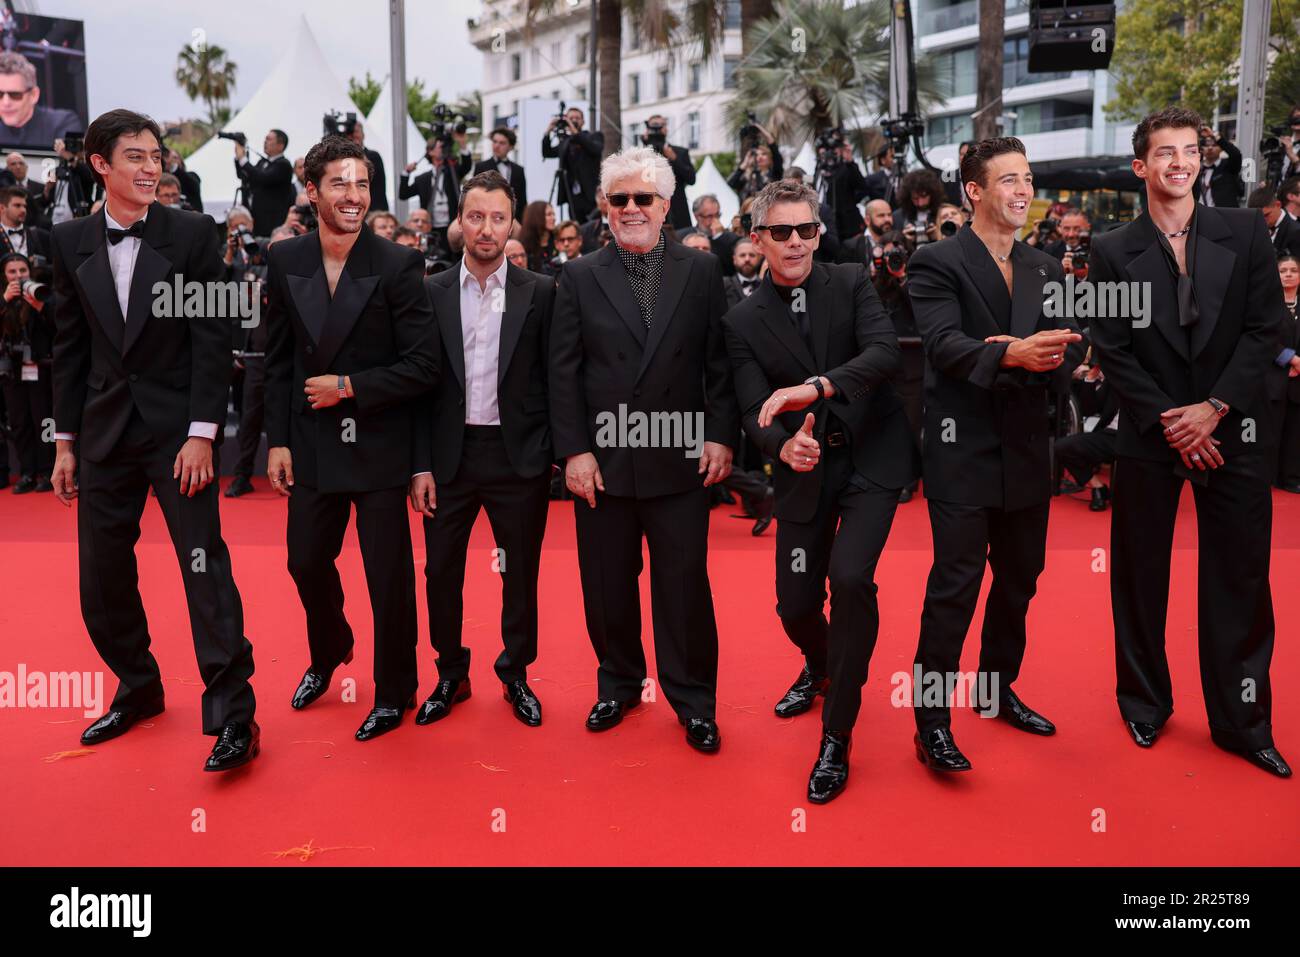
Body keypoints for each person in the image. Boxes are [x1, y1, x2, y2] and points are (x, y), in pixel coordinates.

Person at [49, 109, 258, 771]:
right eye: (133, 156)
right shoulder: (70, 241)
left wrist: (203, 433)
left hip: (178, 434)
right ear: (100, 165)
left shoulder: (193, 233)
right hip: (106, 431)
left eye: (155, 156)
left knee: (203, 568)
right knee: (100, 578)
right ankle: (138, 685)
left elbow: (213, 337)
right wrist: (64, 441)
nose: (150, 168)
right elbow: (69, 347)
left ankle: (234, 715)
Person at [1089, 107, 1290, 778]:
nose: (1180, 161)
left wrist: (1214, 408)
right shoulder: (1111, 249)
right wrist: (1172, 420)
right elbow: (1112, 350)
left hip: (1234, 428)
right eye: (1164, 152)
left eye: (1189, 151)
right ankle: (1143, 702)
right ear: (1140, 167)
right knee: (1141, 573)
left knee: (1239, 577)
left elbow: (1267, 329)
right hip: (1153, 434)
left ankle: (1243, 721)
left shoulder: (1244, 232)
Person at [723, 180, 917, 802]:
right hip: (806, 469)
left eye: (806, 230)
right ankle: (823, 663)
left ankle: (838, 733)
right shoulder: (742, 319)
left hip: (872, 459)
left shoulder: (851, 280)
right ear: (758, 240)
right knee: (794, 606)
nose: (796, 242)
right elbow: (754, 405)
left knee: (852, 579)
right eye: (781, 232)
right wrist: (783, 446)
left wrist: (817, 388)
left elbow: (886, 353)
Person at [549, 146, 738, 752]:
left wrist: (718, 434)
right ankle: (619, 684)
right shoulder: (577, 275)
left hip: (679, 455)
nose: (632, 208)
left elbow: (719, 365)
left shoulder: (703, 271)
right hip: (603, 460)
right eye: (620, 198)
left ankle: (694, 701)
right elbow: (563, 372)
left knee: (683, 584)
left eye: (644, 198)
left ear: (666, 204)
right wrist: (574, 451)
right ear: (605, 207)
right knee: (606, 583)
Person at [905, 136, 1081, 772]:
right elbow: (944, 345)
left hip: (1031, 448)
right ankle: (930, 723)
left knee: (1019, 582)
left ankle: (996, 690)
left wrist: (1057, 356)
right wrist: (1011, 352)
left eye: (1027, 178)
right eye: (1009, 180)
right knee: (954, 588)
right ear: (975, 191)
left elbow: (1067, 346)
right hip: (963, 451)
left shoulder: (1046, 267)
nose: (1023, 191)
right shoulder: (936, 262)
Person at [263, 134, 438, 742]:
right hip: (310, 444)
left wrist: (349, 386)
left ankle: (395, 691)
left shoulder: (397, 264)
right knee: (305, 560)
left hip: (380, 446)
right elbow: (279, 358)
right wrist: (278, 440)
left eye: (361, 184)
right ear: (311, 192)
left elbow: (424, 367)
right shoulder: (285, 260)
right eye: (339, 183)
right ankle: (332, 645)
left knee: (387, 576)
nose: (354, 196)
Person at [408, 170, 555, 728]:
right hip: (448, 459)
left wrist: (553, 454)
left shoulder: (541, 292)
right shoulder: (432, 291)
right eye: (476, 216)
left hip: (518, 459)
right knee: (441, 572)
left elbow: (554, 378)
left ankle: (515, 672)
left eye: (497, 217)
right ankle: (451, 672)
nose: (486, 228)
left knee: (519, 573)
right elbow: (421, 386)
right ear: (459, 222)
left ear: (512, 223)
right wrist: (419, 464)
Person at [0, 251, 53, 492]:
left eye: (22, 271)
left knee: (43, 420)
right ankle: (27, 472)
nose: (18, 277)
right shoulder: (3, 298)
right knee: (19, 422)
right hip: (12, 369)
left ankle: (46, 471)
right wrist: (4, 301)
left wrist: (40, 307)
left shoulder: (40, 293)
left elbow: (57, 326)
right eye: (12, 272)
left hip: (40, 367)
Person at [399, 137, 466, 255]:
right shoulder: (422, 179)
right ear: (430, 152)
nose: (442, 149)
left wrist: (461, 143)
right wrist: (406, 173)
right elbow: (403, 194)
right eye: (440, 147)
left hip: (451, 225)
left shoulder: (452, 172)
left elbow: (467, 165)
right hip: (430, 228)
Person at [0, 52, 81, 149]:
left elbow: (75, 161)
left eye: (15, 95)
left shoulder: (66, 123)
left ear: (34, 95)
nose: (6, 103)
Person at [1268, 254, 1300, 493]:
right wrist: (1291, 359)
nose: (1288, 274)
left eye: (1293, 270)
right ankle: (1269, 476)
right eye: (1283, 271)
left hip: (1299, 378)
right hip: (1272, 375)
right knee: (1272, 429)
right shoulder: (1267, 304)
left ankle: (1291, 477)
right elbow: (1263, 337)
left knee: (1295, 431)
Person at [542, 106, 603, 223]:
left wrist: (574, 131)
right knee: (576, 225)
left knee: (592, 228)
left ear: (583, 121)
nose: (574, 121)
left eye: (577, 118)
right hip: (572, 195)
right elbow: (547, 152)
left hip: (590, 194)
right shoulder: (566, 142)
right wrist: (548, 132)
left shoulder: (595, 136)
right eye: (570, 118)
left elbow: (594, 149)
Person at [234, 128, 295, 237]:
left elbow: (262, 178)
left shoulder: (283, 165)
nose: (265, 142)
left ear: (280, 145)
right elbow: (245, 177)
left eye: (269, 139)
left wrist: (243, 160)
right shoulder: (262, 162)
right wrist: (239, 157)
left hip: (272, 222)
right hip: (256, 219)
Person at [641, 114, 696, 231]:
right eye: (653, 127)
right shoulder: (641, 154)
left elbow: (691, 179)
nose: (657, 130)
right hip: (650, 213)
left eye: (660, 126)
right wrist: (646, 147)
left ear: (666, 129)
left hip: (678, 213)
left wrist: (674, 159)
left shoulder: (680, 152)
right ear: (647, 130)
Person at [473, 127, 528, 221]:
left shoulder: (518, 170)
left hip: (514, 220)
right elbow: (475, 197)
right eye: (494, 142)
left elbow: (522, 200)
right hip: (488, 220)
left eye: (502, 143)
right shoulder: (481, 167)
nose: (496, 146)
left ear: (511, 147)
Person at [683, 194, 738, 275]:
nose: (715, 220)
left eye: (717, 215)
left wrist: (719, 237)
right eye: (709, 216)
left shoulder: (731, 238)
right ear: (697, 217)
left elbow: (730, 268)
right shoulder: (681, 235)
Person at [1193, 124, 1243, 208]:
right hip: (1201, 215)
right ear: (1201, 148)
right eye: (1206, 145)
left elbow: (1236, 154)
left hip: (1224, 216)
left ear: (1221, 148)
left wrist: (1214, 135)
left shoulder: (1228, 166)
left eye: (1214, 145)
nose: (1210, 148)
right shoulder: (1196, 167)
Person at [1246, 186, 1300, 257]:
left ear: (1278, 205)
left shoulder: (1296, 231)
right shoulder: (1251, 228)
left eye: (1266, 215)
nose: (1262, 221)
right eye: (1257, 217)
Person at [0, 185, 48, 259]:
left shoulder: (39, 236)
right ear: (2, 208)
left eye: (24, 206)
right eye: (17, 205)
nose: (23, 210)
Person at [348, 120, 387, 212]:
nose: (353, 135)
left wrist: (356, 149)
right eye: (350, 133)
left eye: (356, 131)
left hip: (373, 210)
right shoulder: (339, 159)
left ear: (363, 135)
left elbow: (371, 176)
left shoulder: (373, 156)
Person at [723, 237, 762, 308]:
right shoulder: (723, 285)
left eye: (752, 255)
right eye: (742, 255)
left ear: (759, 258)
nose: (747, 259)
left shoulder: (769, 286)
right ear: (734, 259)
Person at [520, 200, 556, 273]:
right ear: (537, 217)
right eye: (549, 215)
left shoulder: (558, 240)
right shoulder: (525, 247)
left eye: (553, 214)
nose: (554, 218)